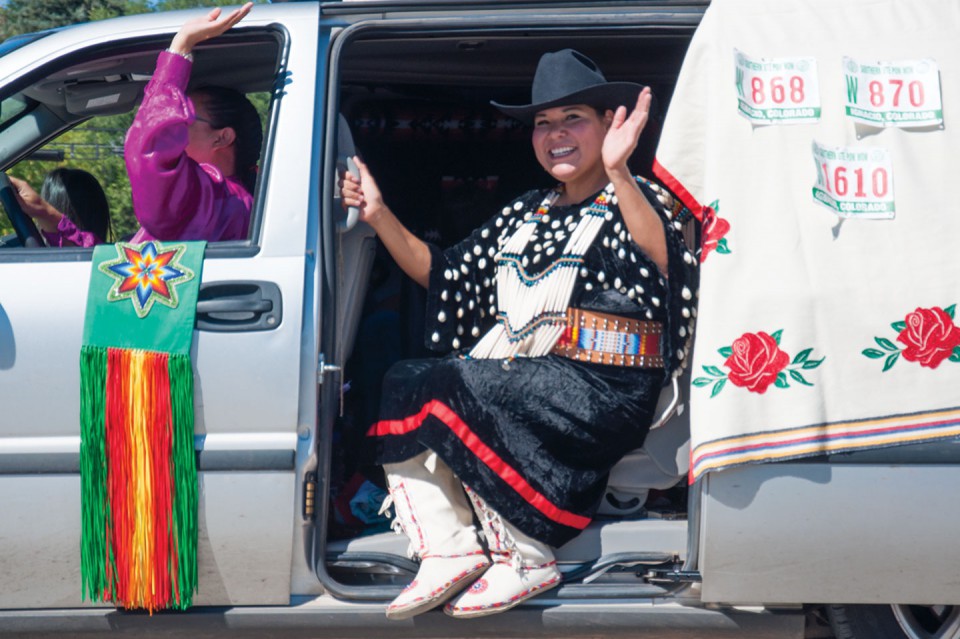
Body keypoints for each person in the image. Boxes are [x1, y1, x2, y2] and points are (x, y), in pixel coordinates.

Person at [340, 49, 697, 620]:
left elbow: (662, 258)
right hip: (531, 382)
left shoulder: (640, 198)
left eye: (572, 118)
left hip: (604, 394)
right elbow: (448, 277)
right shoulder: (526, 213)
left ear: (609, 124)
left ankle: (524, 554)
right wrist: (378, 214)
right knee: (406, 378)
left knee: (461, 383)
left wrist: (619, 171)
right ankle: (448, 548)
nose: (556, 135)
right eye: (543, 123)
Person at [13, 3, 261, 245]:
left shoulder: (212, 200)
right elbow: (122, 265)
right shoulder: (226, 201)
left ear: (222, 137)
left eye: (184, 120)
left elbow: (151, 152)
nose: (174, 125)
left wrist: (180, 48)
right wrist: (46, 214)